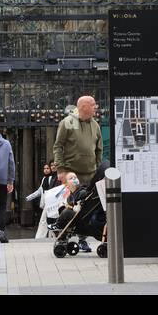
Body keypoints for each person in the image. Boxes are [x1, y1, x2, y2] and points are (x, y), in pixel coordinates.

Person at [53, 96, 102, 252]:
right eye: (93, 105)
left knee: (88, 206)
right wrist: (60, 170)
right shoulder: (67, 123)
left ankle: (82, 239)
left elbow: (98, 150)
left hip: (91, 174)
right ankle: (63, 237)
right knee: (71, 206)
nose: (96, 107)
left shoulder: (95, 125)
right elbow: (58, 146)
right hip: (71, 174)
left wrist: (99, 170)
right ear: (84, 106)